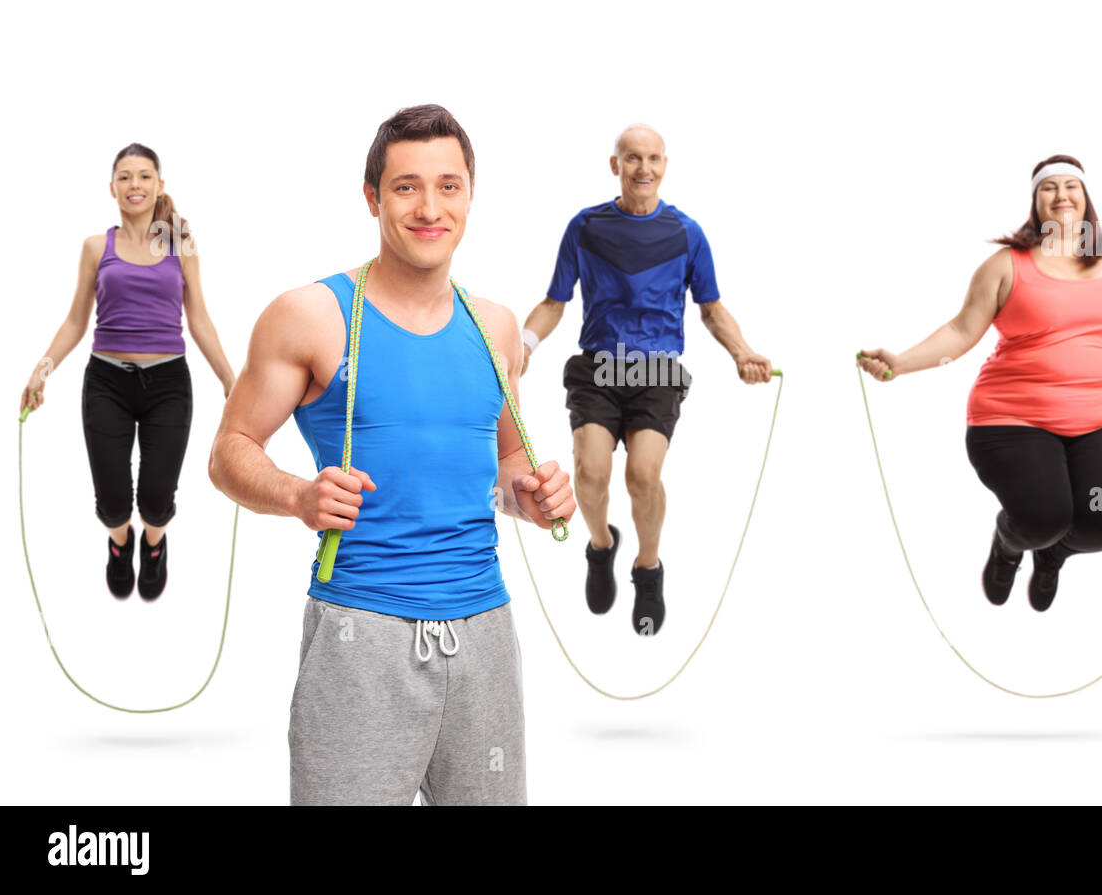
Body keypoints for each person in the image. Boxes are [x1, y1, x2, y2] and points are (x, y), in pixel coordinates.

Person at [208, 104, 575, 806]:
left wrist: (528, 495)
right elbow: (230, 450)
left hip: (486, 633)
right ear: (373, 198)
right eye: (406, 187)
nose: (429, 207)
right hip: (361, 634)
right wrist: (295, 496)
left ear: (470, 195)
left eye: (448, 185)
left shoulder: (496, 326)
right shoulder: (311, 314)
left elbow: (504, 466)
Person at [858, 154, 1102, 612]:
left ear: (1086, 197)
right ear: (1036, 202)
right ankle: (1010, 547)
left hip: (1099, 422)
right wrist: (902, 363)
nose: (1061, 195)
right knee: (1044, 515)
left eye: (1072, 186)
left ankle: (1052, 557)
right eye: (1049, 188)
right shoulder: (1006, 265)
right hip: (1014, 421)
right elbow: (960, 332)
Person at [521, 124, 772, 636]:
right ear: (615, 165)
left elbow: (711, 309)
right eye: (632, 158)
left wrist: (743, 353)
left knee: (642, 475)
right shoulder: (585, 227)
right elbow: (554, 302)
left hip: (657, 371)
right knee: (589, 474)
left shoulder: (686, 233)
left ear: (665, 165)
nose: (644, 168)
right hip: (597, 368)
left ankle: (648, 568)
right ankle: (601, 547)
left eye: (653, 158)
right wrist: (521, 348)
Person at [20, 143, 236, 601]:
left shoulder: (181, 244)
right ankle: (120, 546)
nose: (134, 184)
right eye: (125, 176)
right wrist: (42, 369)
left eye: (143, 176)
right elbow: (77, 320)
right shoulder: (97, 247)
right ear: (112, 187)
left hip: (168, 384)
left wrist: (229, 379)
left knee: (157, 501)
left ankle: (153, 547)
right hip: (106, 383)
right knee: (112, 500)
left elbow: (198, 319)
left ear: (159, 185)